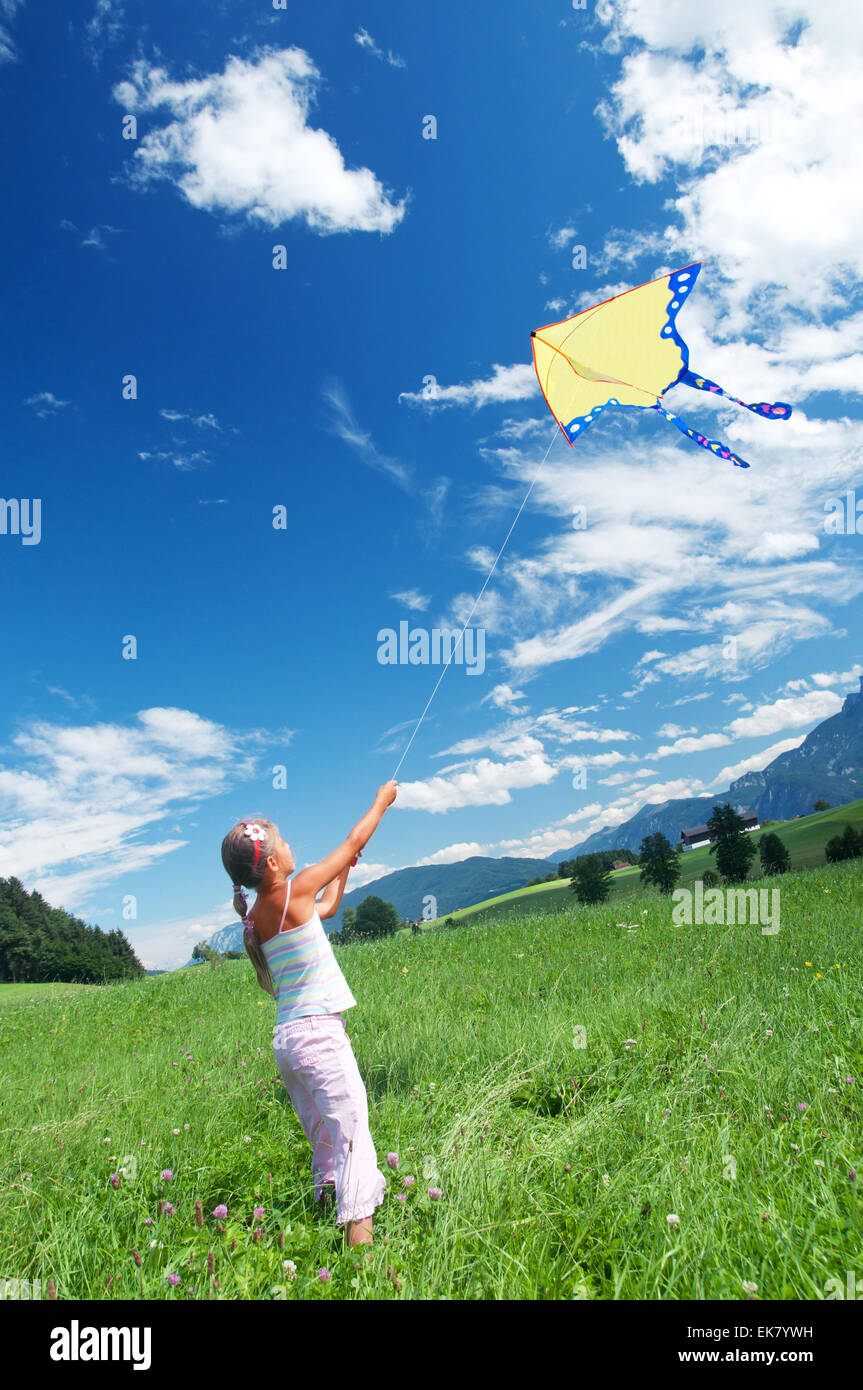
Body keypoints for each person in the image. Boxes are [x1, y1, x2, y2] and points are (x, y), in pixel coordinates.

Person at [220, 781, 398, 1248]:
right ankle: (361, 1259)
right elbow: (354, 841)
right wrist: (380, 801)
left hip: (288, 1043)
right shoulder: (296, 888)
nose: (292, 846)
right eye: (285, 842)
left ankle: (325, 1206)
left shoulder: (258, 916)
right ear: (275, 862)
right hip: (320, 1036)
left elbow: (329, 908)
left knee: (323, 1133)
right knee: (353, 1137)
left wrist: (341, 875)